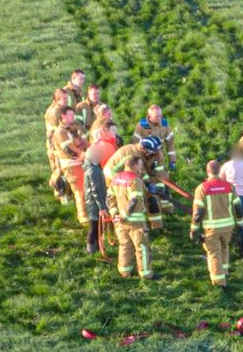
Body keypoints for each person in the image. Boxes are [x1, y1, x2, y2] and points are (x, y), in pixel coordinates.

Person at [191, 161, 243, 288]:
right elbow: (238, 207)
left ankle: (219, 283)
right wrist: (240, 224)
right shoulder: (229, 187)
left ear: (207, 171)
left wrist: (193, 229)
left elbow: (198, 213)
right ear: (219, 171)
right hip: (228, 227)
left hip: (212, 228)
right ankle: (224, 272)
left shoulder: (202, 188)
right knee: (224, 247)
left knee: (214, 253)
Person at [108, 155, 156, 279]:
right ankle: (146, 274)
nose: (141, 168)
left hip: (119, 222)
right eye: (140, 165)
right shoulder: (135, 180)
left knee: (124, 245)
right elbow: (134, 200)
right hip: (135, 222)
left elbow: (110, 198)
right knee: (142, 247)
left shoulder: (116, 178)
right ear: (134, 165)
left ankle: (125, 272)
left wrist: (115, 214)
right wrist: (124, 216)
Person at [104, 137, 167, 229]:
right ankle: (123, 223)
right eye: (153, 152)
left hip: (131, 175)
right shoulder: (131, 154)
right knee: (129, 199)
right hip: (114, 176)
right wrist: (148, 184)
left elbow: (159, 171)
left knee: (150, 196)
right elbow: (140, 171)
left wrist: (159, 187)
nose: (156, 154)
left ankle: (156, 226)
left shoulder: (152, 153)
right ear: (144, 149)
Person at [50, 106, 90, 225]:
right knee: (80, 190)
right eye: (70, 115)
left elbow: (85, 141)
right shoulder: (60, 132)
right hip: (71, 165)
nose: (73, 117)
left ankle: (88, 212)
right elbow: (69, 150)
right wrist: (83, 154)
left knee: (85, 188)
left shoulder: (73, 128)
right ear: (63, 116)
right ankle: (83, 217)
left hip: (80, 162)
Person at [83, 126, 118, 254]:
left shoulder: (93, 168)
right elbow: (96, 190)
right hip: (94, 205)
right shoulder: (94, 171)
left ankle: (96, 247)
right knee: (94, 228)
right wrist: (102, 207)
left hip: (93, 204)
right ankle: (91, 249)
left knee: (98, 228)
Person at [219, 147, 243, 257]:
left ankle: (225, 249)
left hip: (231, 199)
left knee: (227, 224)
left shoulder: (226, 166)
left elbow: (221, 182)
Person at [44, 88, 70, 203]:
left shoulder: (61, 108)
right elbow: (58, 132)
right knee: (58, 170)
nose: (67, 101)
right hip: (55, 146)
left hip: (58, 143)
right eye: (64, 99)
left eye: (67, 98)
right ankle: (59, 191)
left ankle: (65, 192)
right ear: (57, 99)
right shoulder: (54, 113)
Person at [132, 104, 177, 172]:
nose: (159, 118)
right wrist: (136, 161)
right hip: (145, 157)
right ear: (149, 115)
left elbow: (170, 143)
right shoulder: (141, 126)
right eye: (156, 116)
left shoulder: (165, 125)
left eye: (160, 116)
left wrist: (172, 160)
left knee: (161, 175)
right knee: (145, 175)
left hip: (159, 156)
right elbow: (135, 144)